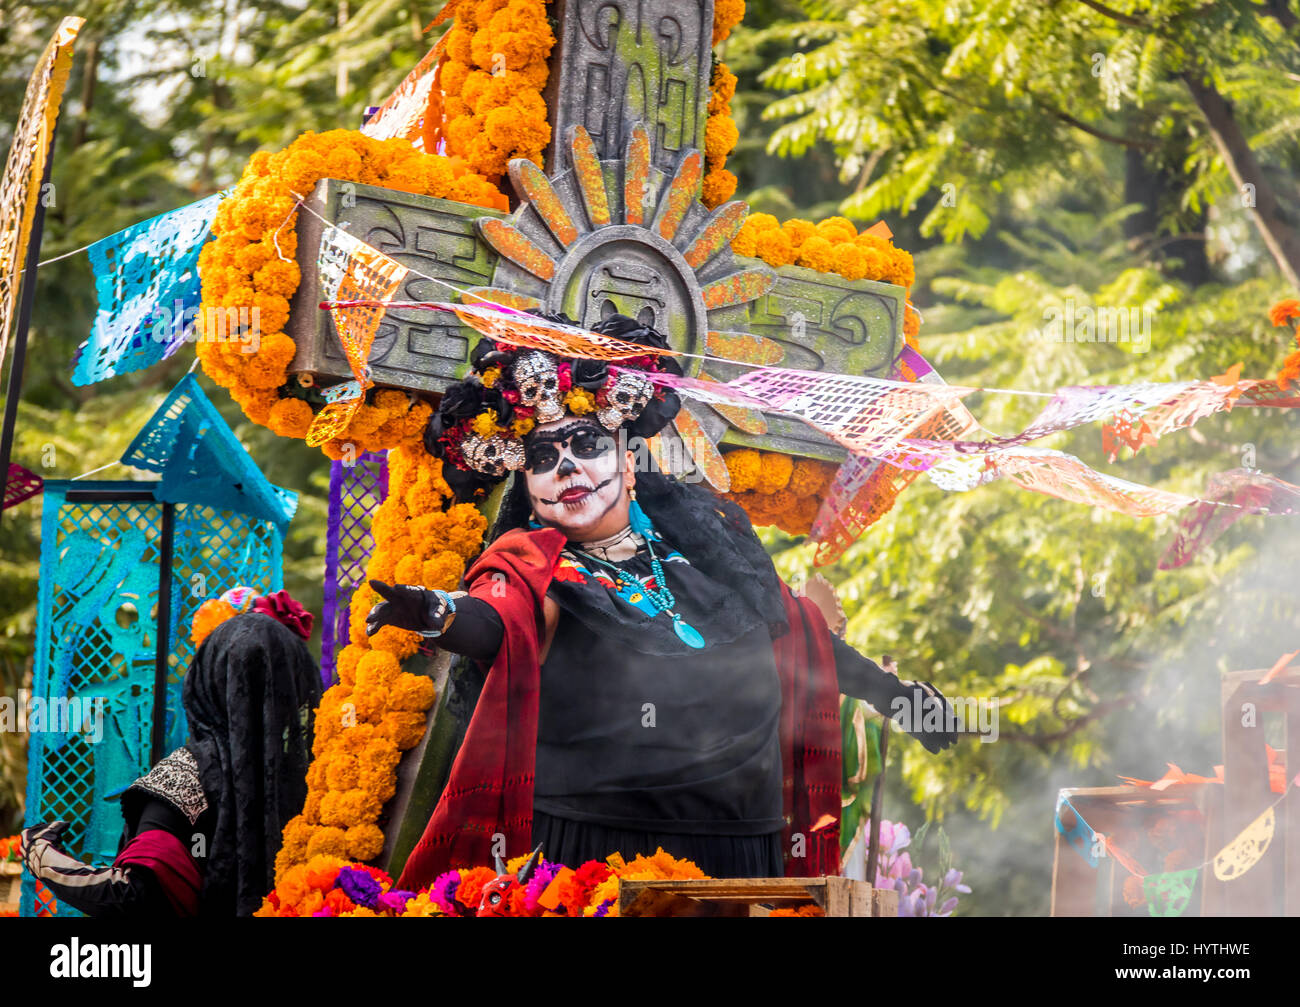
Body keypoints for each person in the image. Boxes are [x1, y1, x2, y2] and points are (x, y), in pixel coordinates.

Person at [369, 313, 959, 888]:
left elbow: (800, 640)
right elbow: (498, 624)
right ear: (528, 486)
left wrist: (899, 698)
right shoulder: (530, 567)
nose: (567, 467)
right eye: (544, 460)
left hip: (738, 851)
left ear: (628, 465)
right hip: (594, 856)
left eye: (585, 445)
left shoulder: (710, 552)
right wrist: (439, 616)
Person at [22, 590, 320, 917]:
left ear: (207, 682)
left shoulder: (186, 776)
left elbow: (131, 893)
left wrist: (42, 854)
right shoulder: (317, 779)